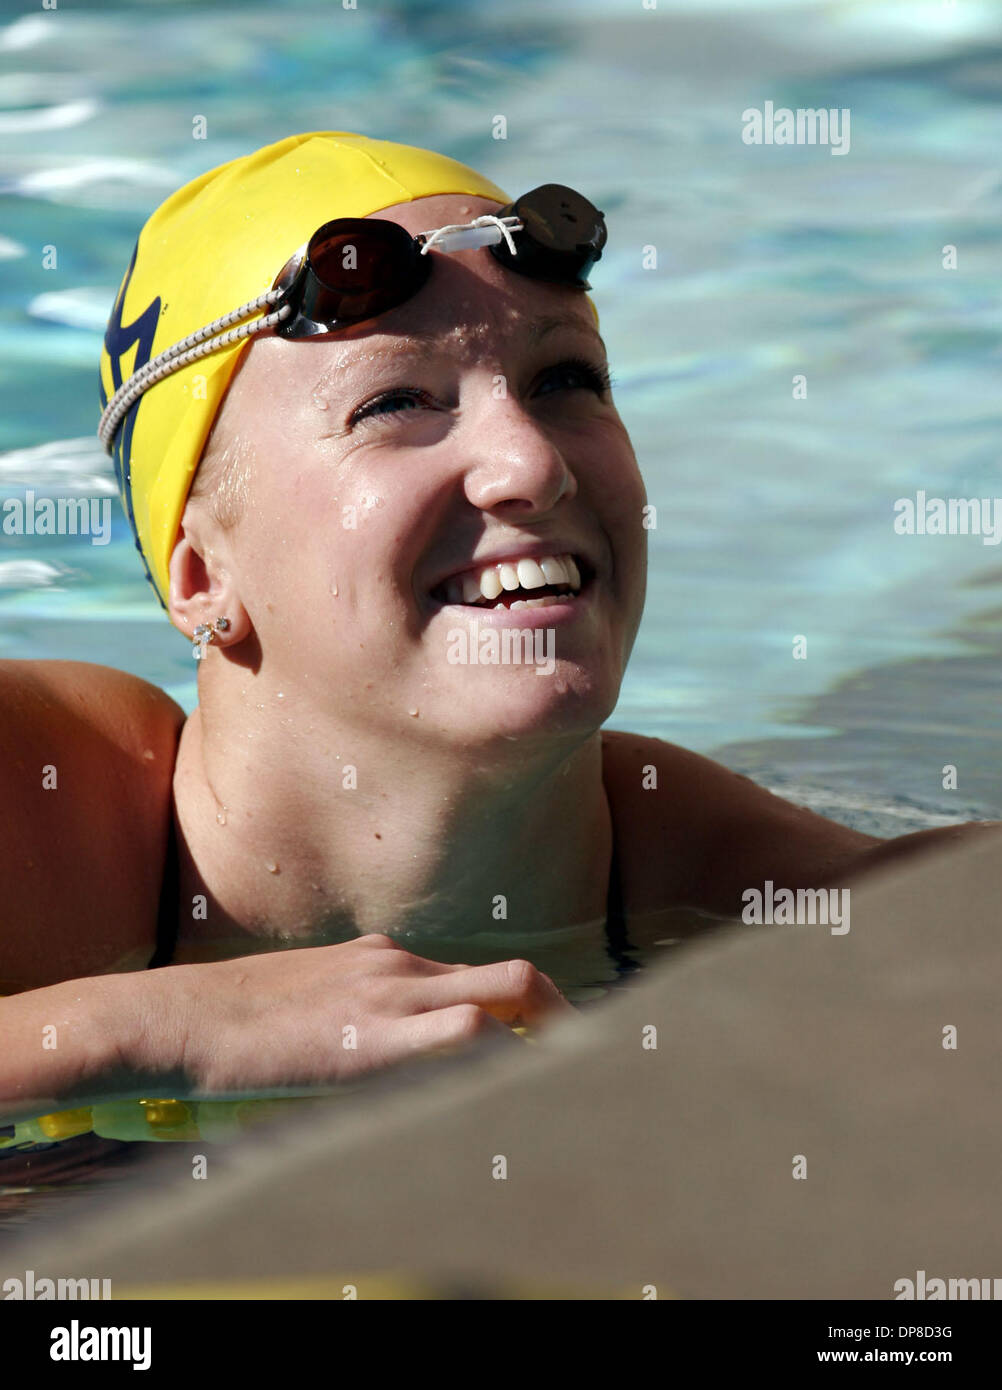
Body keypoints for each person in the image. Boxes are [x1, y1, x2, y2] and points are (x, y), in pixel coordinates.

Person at [0, 132, 993, 1130]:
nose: (530, 463)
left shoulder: (723, 888)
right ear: (203, 572)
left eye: (565, 380)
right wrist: (153, 1027)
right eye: (396, 401)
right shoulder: (41, 805)